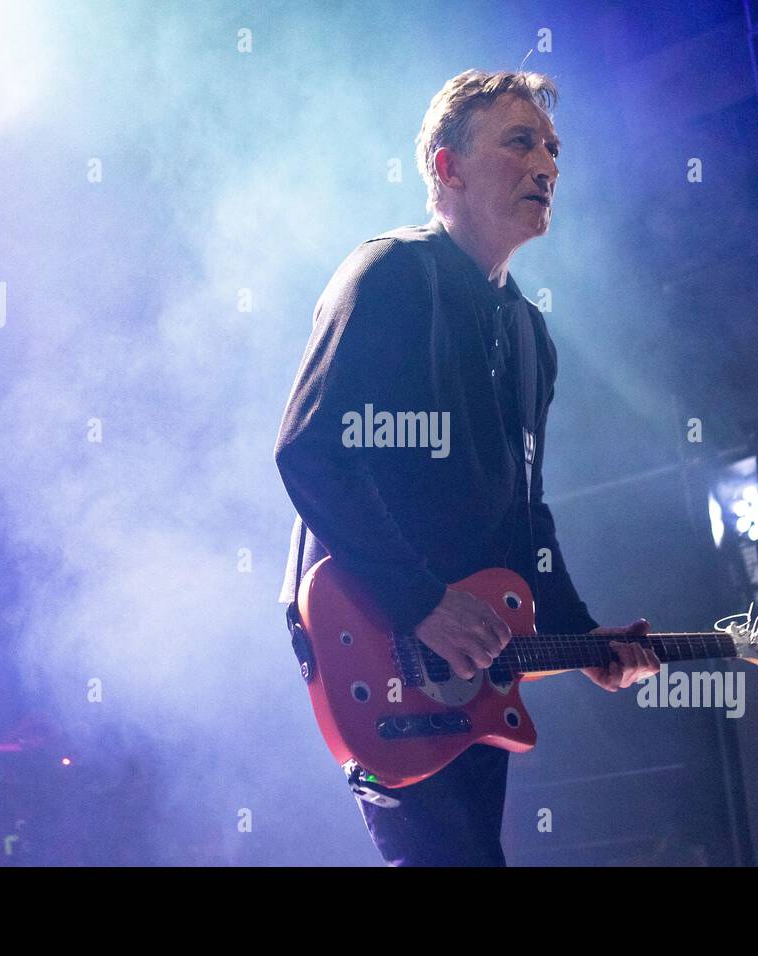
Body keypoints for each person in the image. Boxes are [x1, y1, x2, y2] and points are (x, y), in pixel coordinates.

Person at [274, 69, 661, 866]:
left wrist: (582, 634)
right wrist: (420, 602)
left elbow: (526, 512)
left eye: (552, 148)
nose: (546, 164)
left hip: (470, 656)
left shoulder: (531, 336)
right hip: (376, 635)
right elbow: (311, 449)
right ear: (446, 169)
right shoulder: (388, 274)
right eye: (520, 142)